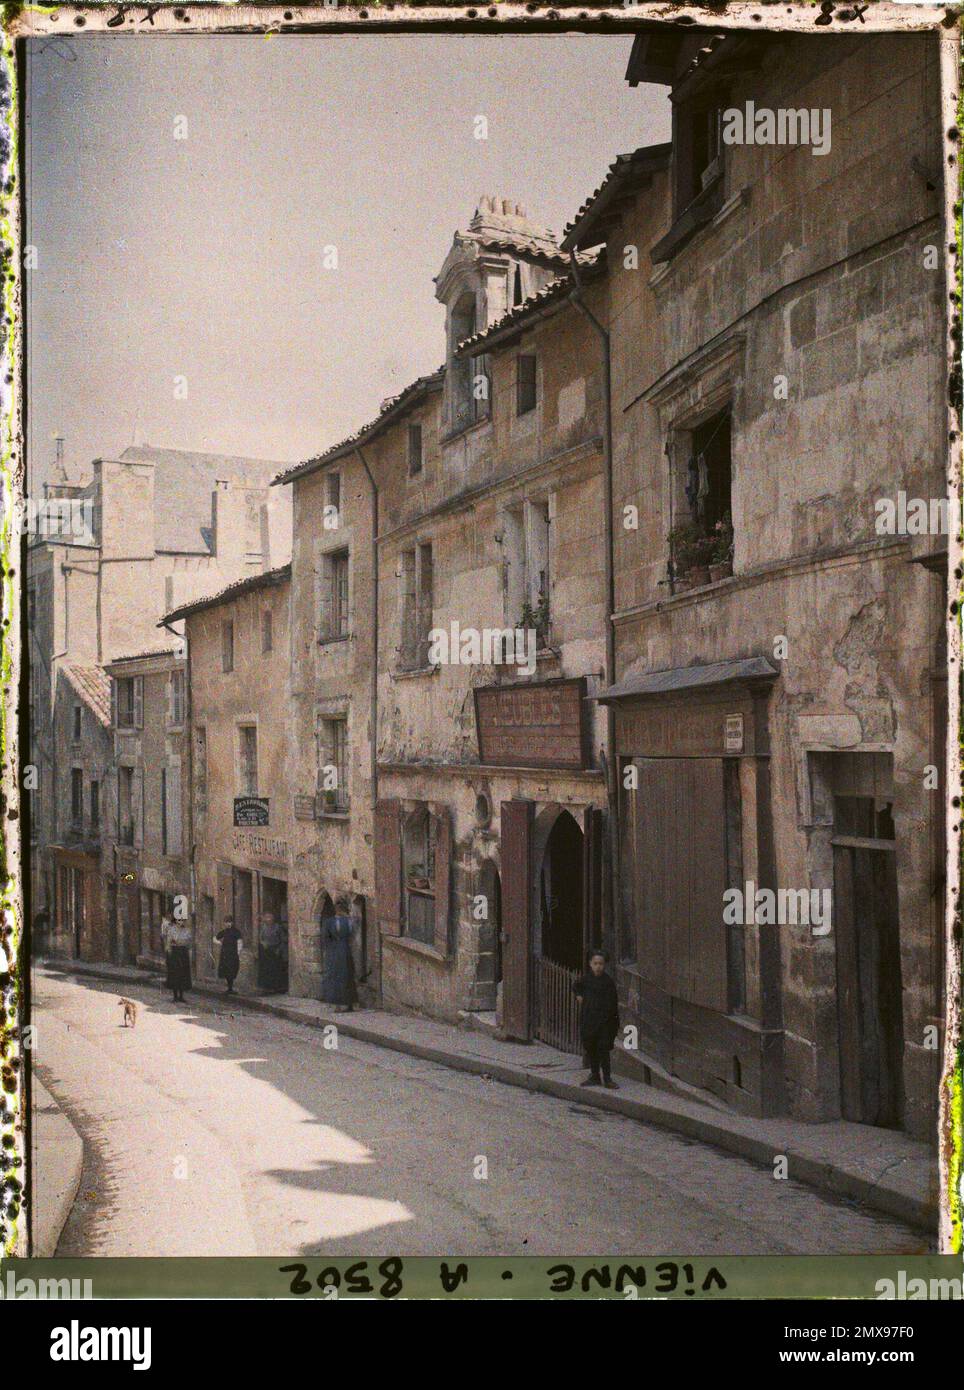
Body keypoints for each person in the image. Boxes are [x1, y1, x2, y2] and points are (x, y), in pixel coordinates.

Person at [574, 948, 619, 1089]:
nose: (598, 966)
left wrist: (612, 1022)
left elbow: (613, 1003)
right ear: (590, 964)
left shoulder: (608, 982)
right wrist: (579, 996)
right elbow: (576, 986)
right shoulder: (586, 979)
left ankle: (607, 1078)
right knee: (591, 1048)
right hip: (589, 1020)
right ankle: (594, 1076)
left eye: (601, 963)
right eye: (595, 963)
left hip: (604, 1022)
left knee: (603, 1049)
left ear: (604, 965)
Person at [321, 895, 356, 1012]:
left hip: (343, 951)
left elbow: (352, 936)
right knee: (336, 977)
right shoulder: (330, 922)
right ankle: (337, 1004)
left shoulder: (348, 921)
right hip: (337, 951)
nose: (339, 909)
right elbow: (326, 938)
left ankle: (347, 1003)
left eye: (341, 906)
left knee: (346, 976)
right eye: (338, 906)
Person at [165, 916, 193, 1004]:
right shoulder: (171, 930)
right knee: (174, 974)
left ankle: (181, 996)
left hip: (183, 953)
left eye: (182, 920)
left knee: (183, 974)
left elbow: (188, 942)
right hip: (174, 953)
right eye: (179, 920)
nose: (180, 922)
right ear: (176, 921)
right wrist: (168, 955)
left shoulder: (187, 931)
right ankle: (175, 996)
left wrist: (179, 942)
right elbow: (169, 943)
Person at [258, 912, 287, 994]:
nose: (269, 919)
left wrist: (279, 949)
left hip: (275, 950)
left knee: (275, 969)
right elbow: (261, 938)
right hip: (267, 951)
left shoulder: (278, 927)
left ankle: (276, 987)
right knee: (267, 970)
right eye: (267, 917)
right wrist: (263, 943)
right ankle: (267, 987)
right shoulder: (263, 927)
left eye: (270, 917)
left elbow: (283, 939)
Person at [215, 916, 243, 994]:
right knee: (226, 970)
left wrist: (238, 952)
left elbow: (240, 942)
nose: (227, 924)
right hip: (225, 954)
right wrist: (220, 943)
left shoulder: (236, 932)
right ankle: (229, 988)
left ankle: (231, 988)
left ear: (232, 922)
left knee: (232, 970)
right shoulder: (224, 932)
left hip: (233, 954)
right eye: (226, 922)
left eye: (229, 922)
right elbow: (215, 938)